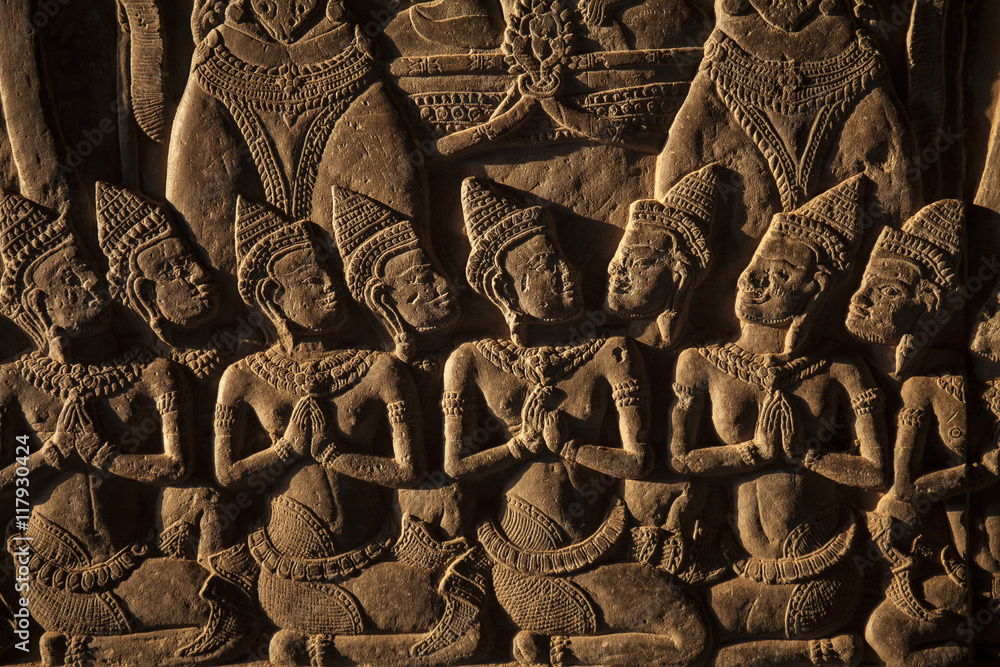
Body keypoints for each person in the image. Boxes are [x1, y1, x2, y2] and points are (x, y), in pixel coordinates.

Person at [444, 176, 710, 667]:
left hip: (604, 540)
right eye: (547, 265)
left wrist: (572, 449)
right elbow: (456, 465)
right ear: (507, 287)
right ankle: (553, 648)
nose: (568, 272)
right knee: (687, 638)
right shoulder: (472, 360)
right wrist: (520, 447)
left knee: (690, 633)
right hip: (518, 556)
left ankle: (554, 652)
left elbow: (638, 459)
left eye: (562, 257)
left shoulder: (611, 352)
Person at [214, 197, 485, 667]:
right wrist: (285, 451)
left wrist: (332, 454)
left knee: (429, 601)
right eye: (312, 280)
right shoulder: (244, 378)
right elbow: (226, 472)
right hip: (285, 565)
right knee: (425, 615)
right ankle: (333, 647)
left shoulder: (380, 369)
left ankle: (320, 649)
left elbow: (408, 468)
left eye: (332, 275)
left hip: (374, 549)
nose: (330, 287)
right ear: (273, 297)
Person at [0, 191, 249, 666]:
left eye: (90, 268)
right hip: (51, 569)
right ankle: (88, 651)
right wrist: (48, 459)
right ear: (41, 303)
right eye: (72, 279)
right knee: (219, 615)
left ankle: (84, 653)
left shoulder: (151, 371)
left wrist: (107, 458)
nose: (93, 281)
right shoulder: (16, 384)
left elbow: (177, 465)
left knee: (227, 604)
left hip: (134, 555)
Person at [670, 175, 888, 667]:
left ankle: (814, 649)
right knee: (701, 634)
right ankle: (817, 655)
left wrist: (808, 455)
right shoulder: (700, 363)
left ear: (815, 293)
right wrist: (752, 454)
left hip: (823, 571)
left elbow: (875, 472)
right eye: (755, 266)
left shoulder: (839, 368)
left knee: (723, 656)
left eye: (782, 275)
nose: (755, 280)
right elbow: (680, 458)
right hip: (738, 566)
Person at [847, 200, 974, 667]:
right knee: (885, 633)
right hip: (956, 549)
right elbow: (904, 487)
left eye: (886, 291)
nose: (862, 298)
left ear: (930, 303)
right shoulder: (924, 387)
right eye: (867, 284)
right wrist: (978, 470)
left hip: (979, 551)